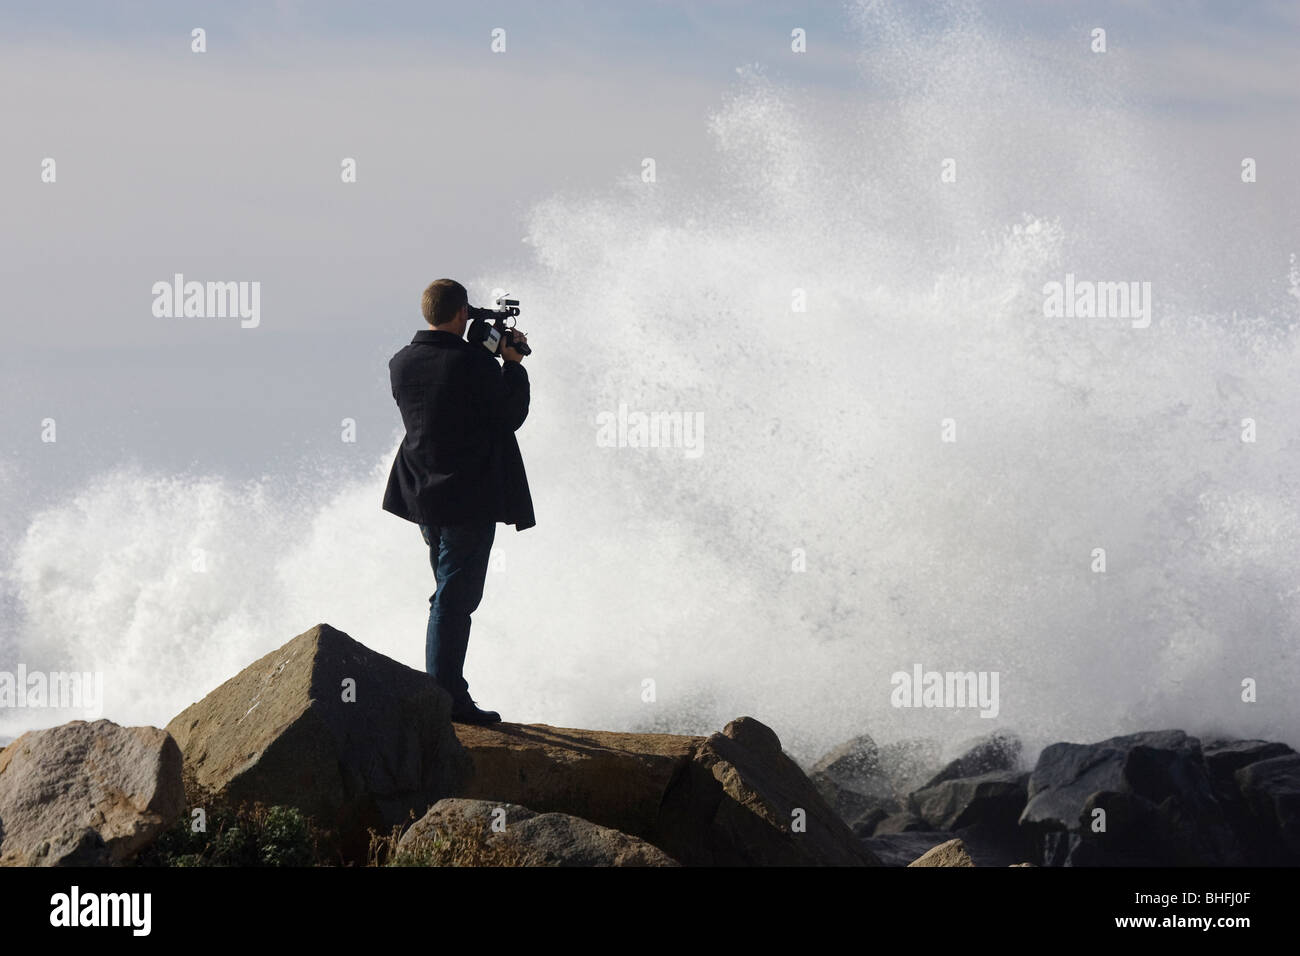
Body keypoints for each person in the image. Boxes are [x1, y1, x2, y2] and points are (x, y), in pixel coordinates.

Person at [382, 278, 534, 724]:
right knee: (454, 599)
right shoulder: (476, 365)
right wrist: (512, 363)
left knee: (447, 596)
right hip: (468, 497)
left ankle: (443, 691)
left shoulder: (400, 363)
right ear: (461, 313)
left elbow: (447, 406)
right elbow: (509, 416)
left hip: (424, 494)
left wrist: (486, 357)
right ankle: (448, 698)